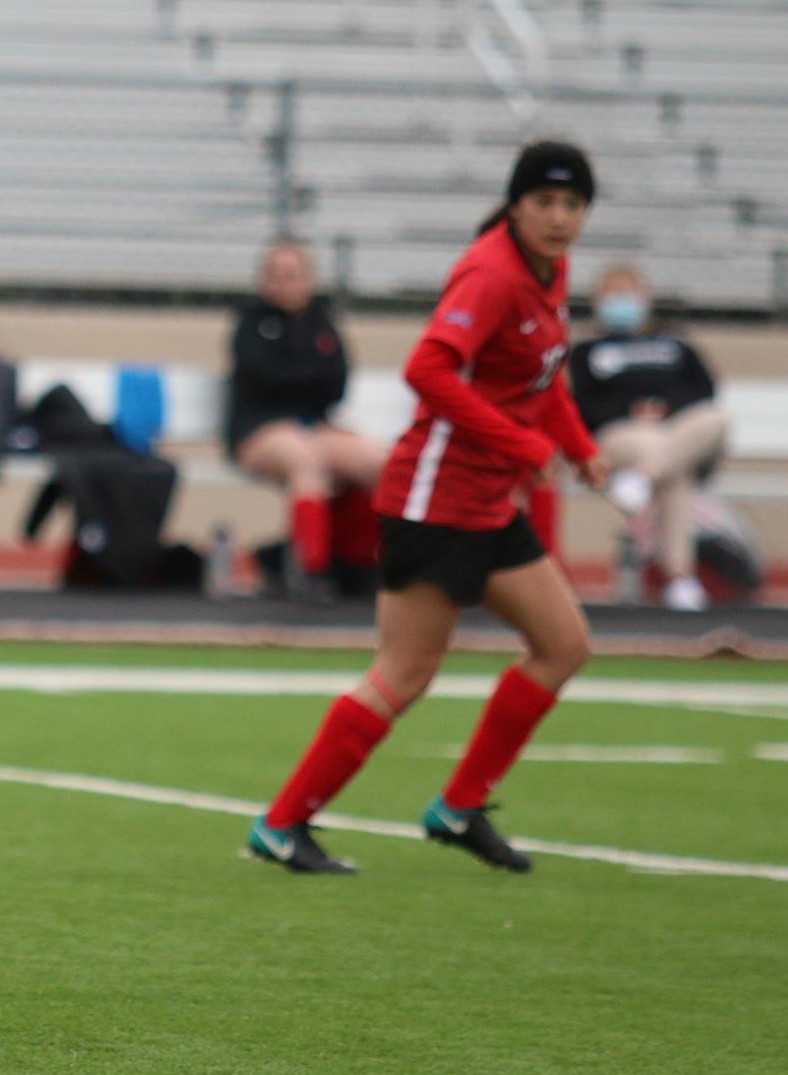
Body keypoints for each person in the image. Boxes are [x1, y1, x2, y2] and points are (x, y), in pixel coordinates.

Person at [246, 141, 609, 875]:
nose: (557, 217)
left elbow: (546, 374)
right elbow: (426, 370)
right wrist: (518, 442)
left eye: (570, 204)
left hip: (483, 501)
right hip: (432, 499)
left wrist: (575, 443)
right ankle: (282, 826)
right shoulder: (492, 272)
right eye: (542, 202)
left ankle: (458, 806)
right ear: (514, 205)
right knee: (403, 675)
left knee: (563, 644)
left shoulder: (551, 270)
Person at [225, 238, 386, 600]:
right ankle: (312, 570)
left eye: (294, 275)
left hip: (314, 425)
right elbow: (260, 378)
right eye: (277, 275)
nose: (285, 283)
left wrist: (297, 383)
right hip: (259, 429)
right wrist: (305, 380)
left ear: (309, 280)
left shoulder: (321, 324)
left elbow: (337, 382)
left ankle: (365, 565)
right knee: (306, 461)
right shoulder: (251, 323)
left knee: (377, 463)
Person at [569, 265, 729, 611]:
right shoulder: (587, 351)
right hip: (622, 435)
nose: (622, 300)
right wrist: (632, 411)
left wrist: (667, 409)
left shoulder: (675, 345)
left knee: (714, 420)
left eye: (629, 291)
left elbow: (705, 391)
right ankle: (680, 578)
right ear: (598, 301)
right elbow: (583, 406)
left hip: (677, 431)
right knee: (670, 465)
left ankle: (641, 479)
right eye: (614, 292)